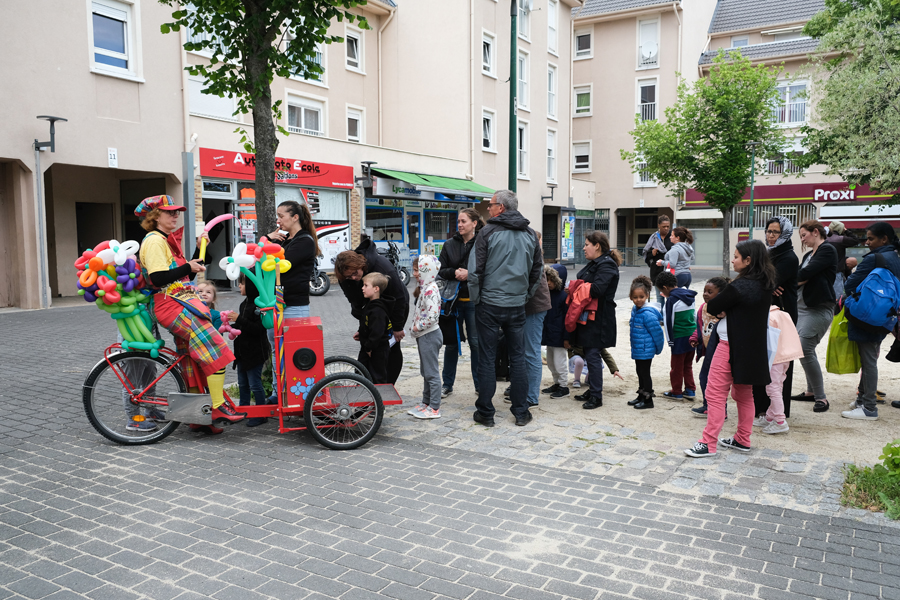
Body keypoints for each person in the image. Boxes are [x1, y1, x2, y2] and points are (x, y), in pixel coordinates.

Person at [135, 195, 243, 426]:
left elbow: (186, 275)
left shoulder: (165, 240)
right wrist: (187, 265)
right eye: (169, 212)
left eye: (176, 212)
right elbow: (157, 278)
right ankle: (216, 407)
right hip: (169, 304)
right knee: (215, 346)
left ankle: (196, 417)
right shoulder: (154, 241)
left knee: (190, 361)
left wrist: (196, 252)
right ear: (155, 216)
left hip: (179, 301)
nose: (175, 215)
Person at [684, 240, 776, 458]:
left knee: (715, 393)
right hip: (752, 348)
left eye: (736, 256)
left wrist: (727, 309)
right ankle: (743, 439)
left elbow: (713, 306)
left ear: (748, 260)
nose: (732, 260)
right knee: (743, 394)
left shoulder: (740, 285)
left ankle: (708, 443)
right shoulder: (765, 284)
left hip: (729, 345)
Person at [467, 190, 543, 427]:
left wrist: (477, 299)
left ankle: (486, 413)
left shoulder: (487, 233)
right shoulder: (530, 234)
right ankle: (521, 412)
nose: (487, 209)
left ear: (500, 207)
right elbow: (536, 272)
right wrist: (524, 296)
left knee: (487, 358)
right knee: (518, 358)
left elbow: (474, 272)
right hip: (516, 304)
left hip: (489, 304)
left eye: (490, 205)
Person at [842, 222, 900, 421]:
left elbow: (849, 284)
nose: (867, 242)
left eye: (871, 238)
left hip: (865, 315)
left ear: (884, 238)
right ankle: (862, 400)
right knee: (870, 358)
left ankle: (869, 408)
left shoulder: (875, 258)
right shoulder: (895, 257)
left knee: (868, 361)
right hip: (884, 317)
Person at [263, 201, 320, 401]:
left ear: (295, 217)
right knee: (277, 351)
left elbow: (279, 264)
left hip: (293, 306)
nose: (278, 220)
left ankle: (297, 397)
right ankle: (279, 394)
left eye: (281, 215)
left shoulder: (304, 241)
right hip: (278, 304)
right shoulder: (286, 240)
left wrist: (267, 242)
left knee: (294, 353)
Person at [335, 238, 411, 384]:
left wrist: (397, 327)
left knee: (390, 347)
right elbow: (356, 303)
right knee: (368, 346)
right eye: (349, 277)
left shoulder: (382, 267)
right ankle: (365, 385)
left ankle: (387, 384)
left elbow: (400, 297)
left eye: (355, 273)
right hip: (372, 309)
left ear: (361, 265)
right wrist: (363, 328)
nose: (354, 278)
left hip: (394, 305)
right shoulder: (345, 277)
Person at [568, 231, 621, 410]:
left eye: (587, 244)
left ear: (597, 246)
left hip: (600, 319)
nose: (584, 248)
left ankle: (596, 396)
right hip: (590, 317)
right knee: (590, 354)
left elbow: (597, 289)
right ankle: (592, 391)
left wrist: (577, 287)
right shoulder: (597, 263)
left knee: (592, 355)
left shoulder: (606, 265)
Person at [756, 216, 799, 421]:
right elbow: (762, 281)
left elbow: (765, 283)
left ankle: (778, 412)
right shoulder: (770, 254)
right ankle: (765, 408)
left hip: (782, 316)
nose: (770, 235)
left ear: (785, 234)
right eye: (769, 231)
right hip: (770, 312)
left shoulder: (788, 257)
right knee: (765, 362)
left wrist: (767, 282)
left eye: (775, 232)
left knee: (779, 363)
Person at [437, 208, 484, 398]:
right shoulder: (449, 244)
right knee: (451, 344)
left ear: (474, 223)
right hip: (452, 302)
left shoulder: (482, 243)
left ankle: (480, 385)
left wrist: (469, 274)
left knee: (475, 344)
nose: (460, 225)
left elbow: (486, 269)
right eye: (458, 221)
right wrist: (455, 273)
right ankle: (447, 384)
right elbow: (441, 269)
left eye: (464, 221)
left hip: (474, 301)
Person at [791, 220, 837, 413]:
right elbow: (800, 275)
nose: (802, 239)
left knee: (804, 348)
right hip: (802, 307)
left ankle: (821, 397)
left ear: (815, 232)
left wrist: (802, 277)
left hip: (818, 308)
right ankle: (811, 391)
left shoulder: (827, 249)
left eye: (804, 235)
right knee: (804, 350)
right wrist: (801, 277)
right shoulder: (810, 254)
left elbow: (805, 273)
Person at [752, 305, 803, 435]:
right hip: (786, 355)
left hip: (775, 357)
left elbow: (767, 340)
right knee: (777, 386)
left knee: (772, 388)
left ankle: (780, 420)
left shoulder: (767, 317)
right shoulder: (782, 314)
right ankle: (771, 416)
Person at [231, 274, 272, 427]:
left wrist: (238, 320)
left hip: (255, 352)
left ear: (250, 285)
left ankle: (261, 414)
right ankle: (243, 409)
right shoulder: (244, 303)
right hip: (242, 352)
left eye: (241, 284)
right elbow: (243, 326)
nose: (239, 287)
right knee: (242, 384)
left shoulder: (259, 305)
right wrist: (231, 326)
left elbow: (258, 329)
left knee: (255, 383)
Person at [409, 255, 444, 419]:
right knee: (426, 371)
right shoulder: (426, 288)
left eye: (417, 270)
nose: (415, 273)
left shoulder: (430, 290)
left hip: (429, 335)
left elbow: (432, 317)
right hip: (424, 335)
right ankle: (426, 402)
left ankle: (434, 407)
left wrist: (417, 327)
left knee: (431, 372)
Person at [689, 277, 729, 418]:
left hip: (720, 352)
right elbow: (700, 327)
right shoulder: (703, 308)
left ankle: (719, 410)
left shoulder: (724, 312)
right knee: (705, 378)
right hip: (708, 351)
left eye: (710, 292)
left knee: (717, 382)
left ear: (720, 295)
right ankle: (708, 406)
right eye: (705, 291)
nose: (705, 294)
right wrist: (695, 338)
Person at [656, 271, 698, 400]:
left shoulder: (671, 301)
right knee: (687, 365)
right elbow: (695, 317)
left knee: (676, 367)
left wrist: (670, 341)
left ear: (665, 288)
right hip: (692, 336)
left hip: (679, 338)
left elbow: (668, 322)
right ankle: (690, 390)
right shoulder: (689, 296)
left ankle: (676, 391)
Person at [627, 275, 664, 410]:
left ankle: (648, 399)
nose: (638, 300)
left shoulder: (648, 314)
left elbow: (658, 333)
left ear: (647, 295)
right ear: (631, 297)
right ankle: (641, 395)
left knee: (645, 373)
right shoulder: (635, 310)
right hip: (638, 348)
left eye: (641, 297)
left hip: (646, 350)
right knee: (639, 372)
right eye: (635, 297)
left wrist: (658, 349)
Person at [523, 232, 551, 409]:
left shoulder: (532, 255)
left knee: (532, 351)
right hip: (530, 306)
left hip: (534, 306)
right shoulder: (529, 252)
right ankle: (525, 391)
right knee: (526, 350)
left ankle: (532, 396)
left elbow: (530, 283)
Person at [357, 272, 394, 385]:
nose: (362, 288)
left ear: (376, 289)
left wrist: (369, 348)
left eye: (366, 285)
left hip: (376, 350)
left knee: (377, 377)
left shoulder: (378, 311)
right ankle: (363, 400)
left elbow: (377, 332)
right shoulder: (370, 305)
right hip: (368, 347)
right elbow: (367, 324)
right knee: (360, 373)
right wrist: (361, 333)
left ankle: (379, 401)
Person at [541, 265, 570, 398]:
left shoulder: (564, 296)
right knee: (551, 362)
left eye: (551, 280)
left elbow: (568, 319)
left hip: (559, 335)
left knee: (560, 362)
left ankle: (564, 386)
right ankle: (557, 383)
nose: (548, 283)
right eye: (547, 279)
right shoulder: (547, 294)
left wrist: (566, 337)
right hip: (550, 334)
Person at [825, 220, 859, 307]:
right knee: (837, 299)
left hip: (824, 272)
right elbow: (855, 240)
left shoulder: (823, 238)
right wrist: (846, 230)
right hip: (837, 272)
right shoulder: (840, 239)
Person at [644, 215, 673, 303]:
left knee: (670, 297)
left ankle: (668, 315)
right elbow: (646, 254)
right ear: (659, 226)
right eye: (664, 226)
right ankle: (661, 316)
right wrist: (652, 253)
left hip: (670, 271)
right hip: (657, 272)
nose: (666, 228)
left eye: (668, 226)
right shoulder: (653, 238)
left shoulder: (673, 237)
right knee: (659, 297)